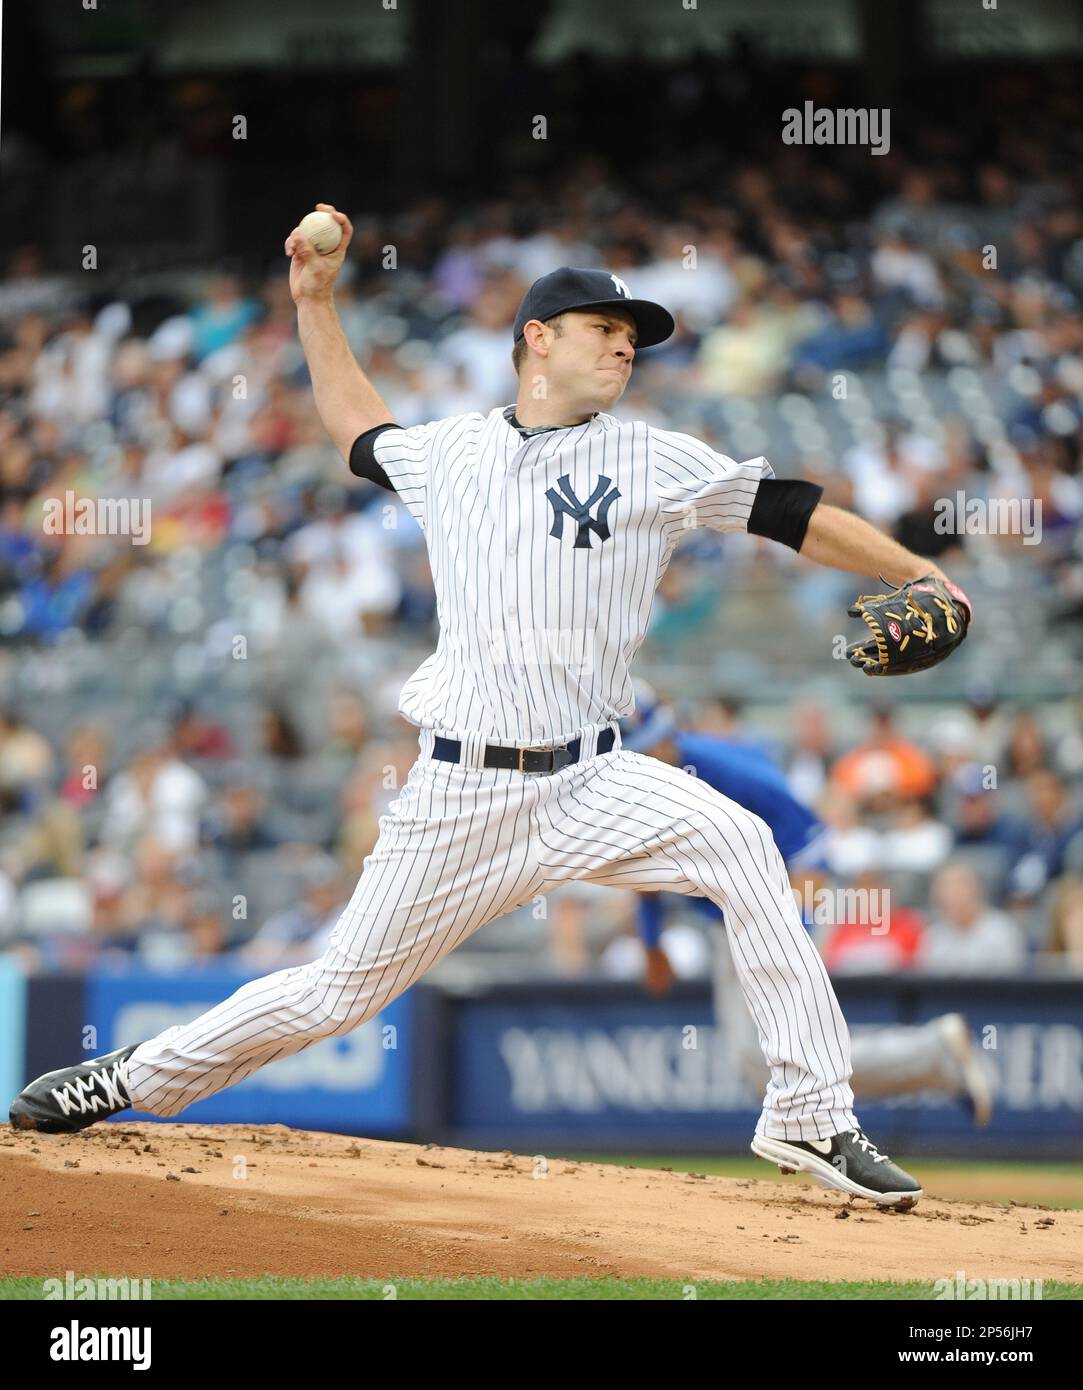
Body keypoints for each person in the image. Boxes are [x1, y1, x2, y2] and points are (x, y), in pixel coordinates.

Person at [10, 205, 974, 1209]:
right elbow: (355, 427)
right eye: (606, 331)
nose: (624, 350)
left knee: (742, 847)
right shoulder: (452, 454)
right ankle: (124, 1078)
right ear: (537, 340)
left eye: (634, 339)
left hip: (595, 775)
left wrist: (917, 567)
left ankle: (812, 1114)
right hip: (462, 792)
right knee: (336, 992)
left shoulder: (650, 457)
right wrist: (314, 302)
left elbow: (793, 511)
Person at [621, 688, 992, 1127]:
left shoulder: (723, 767)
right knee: (764, 1064)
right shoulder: (637, 782)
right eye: (639, 751)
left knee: (773, 1059)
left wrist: (784, 933)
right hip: (730, 916)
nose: (650, 754)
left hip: (779, 906)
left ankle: (905, 1073)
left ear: (668, 735)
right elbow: (641, 860)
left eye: (653, 744)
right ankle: (930, 1056)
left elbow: (812, 845)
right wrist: (650, 941)